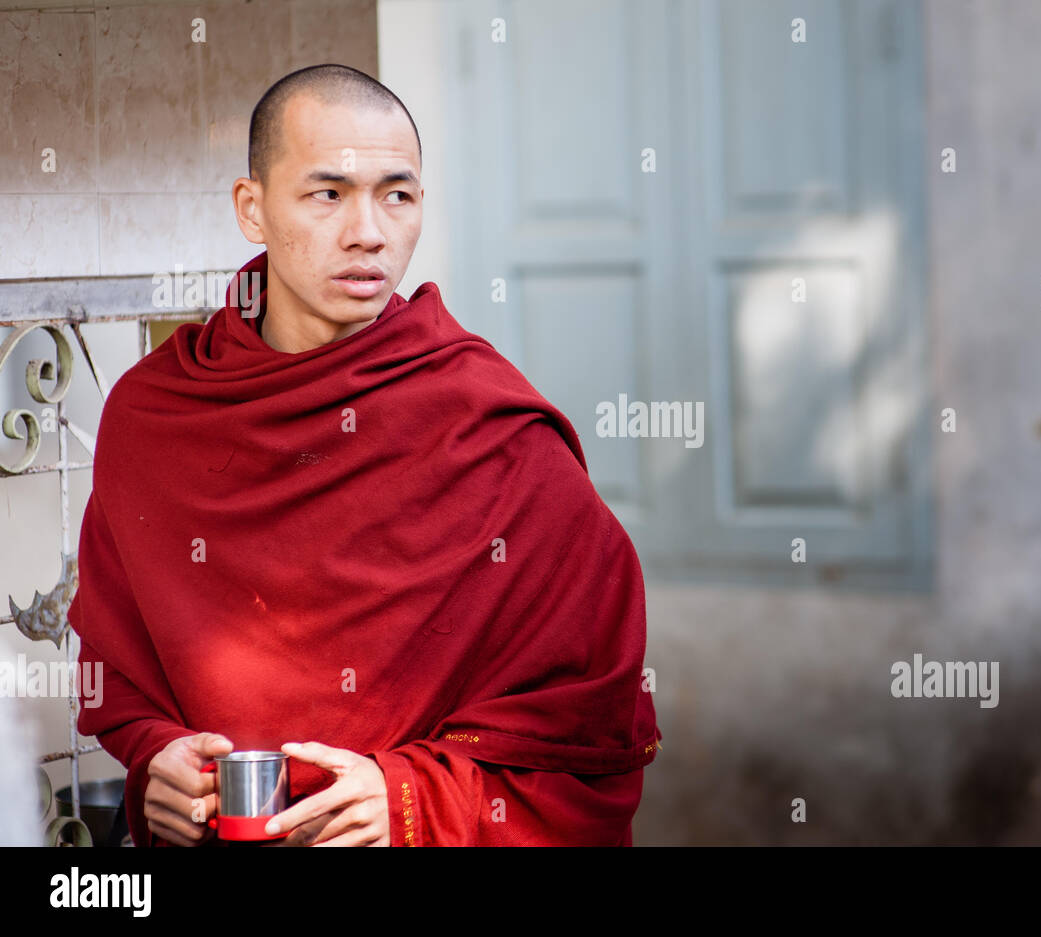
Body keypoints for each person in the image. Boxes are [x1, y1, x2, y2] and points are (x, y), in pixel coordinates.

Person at [68, 64, 660, 847]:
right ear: (253, 207)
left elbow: (588, 714)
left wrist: (414, 799)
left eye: (398, 194)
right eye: (328, 194)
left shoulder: (484, 422)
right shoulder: (159, 415)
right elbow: (119, 670)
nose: (369, 233)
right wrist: (157, 757)